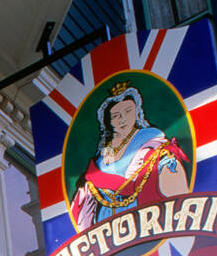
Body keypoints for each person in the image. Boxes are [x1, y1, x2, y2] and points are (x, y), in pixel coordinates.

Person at [69, 81, 190, 231]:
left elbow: (178, 193)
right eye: (116, 115)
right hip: (106, 227)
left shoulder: (151, 143)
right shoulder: (103, 155)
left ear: (137, 112)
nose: (123, 119)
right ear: (108, 121)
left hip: (145, 218)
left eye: (128, 111)